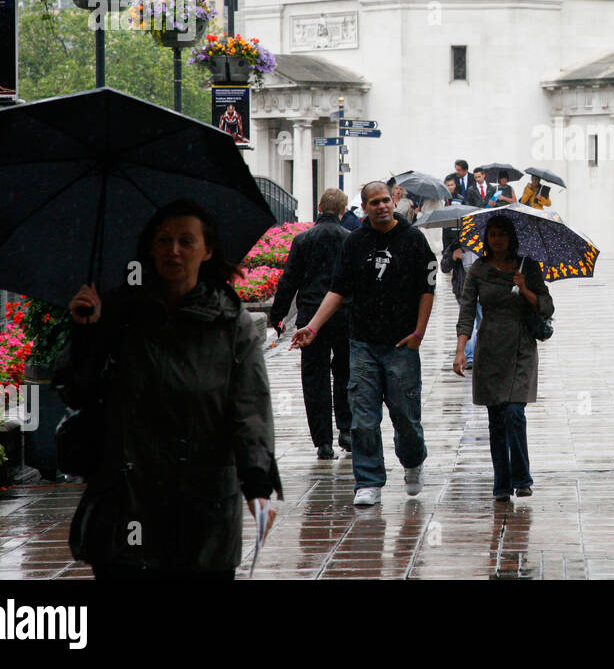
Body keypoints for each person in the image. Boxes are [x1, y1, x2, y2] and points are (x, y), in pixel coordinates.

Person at [55, 199, 282, 579]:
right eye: (163, 240)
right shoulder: (119, 314)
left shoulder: (230, 324)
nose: (173, 250)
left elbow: (249, 409)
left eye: (186, 240)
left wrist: (257, 485)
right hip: (127, 501)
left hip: (203, 508)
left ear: (207, 250)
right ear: (149, 248)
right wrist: (87, 333)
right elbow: (77, 391)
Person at [292, 180, 437, 507]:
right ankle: (368, 480)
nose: (382, 206)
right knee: (363, 417)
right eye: (375, 202)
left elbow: (428, 287)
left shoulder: (413, 240)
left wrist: (419, 333)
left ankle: (413, 462)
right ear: (365, 208)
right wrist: (312, 327)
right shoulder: (354, 243)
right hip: (363, 343)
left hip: (402, 344)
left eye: (386, 200)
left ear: (393, 200)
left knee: (405, 415)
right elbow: (337, 290)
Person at [453, 215, 554, 500]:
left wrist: (525, 289)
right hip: (489, 348)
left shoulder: (528, 267)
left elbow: (546, 306)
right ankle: (501, 483)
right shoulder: (478, 270)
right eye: (493, 234)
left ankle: (522, 477)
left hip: (521, 347)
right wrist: (461, 350)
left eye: (503, 234)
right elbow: (467, 312)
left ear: (512, 238)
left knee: (514, 412)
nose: (498, 239)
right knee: (496, 417)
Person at [270, 188, 353, 458]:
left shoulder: (303, 239)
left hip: (310, 317)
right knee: (344, 373)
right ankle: (346, 429)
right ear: (343, 211)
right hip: (343, 315)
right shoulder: (349, 240)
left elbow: (289, 280)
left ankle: (323, 441)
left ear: (319, 207)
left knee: (314, 377)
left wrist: (277, 315)